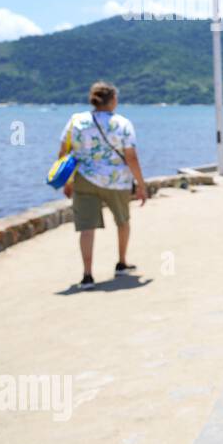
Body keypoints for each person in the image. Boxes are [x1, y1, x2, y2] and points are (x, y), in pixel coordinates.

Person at [58, 81, 149, 289]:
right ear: (113, 100)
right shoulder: (122, 123)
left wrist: (67, 181)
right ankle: (121, 262)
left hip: (84, 179)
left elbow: (63, 152)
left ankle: (87, 275)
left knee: (87, 228)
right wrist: (141, 184)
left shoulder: (76, 121)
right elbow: (132, 157)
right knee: (123, 221)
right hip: (117, 180)